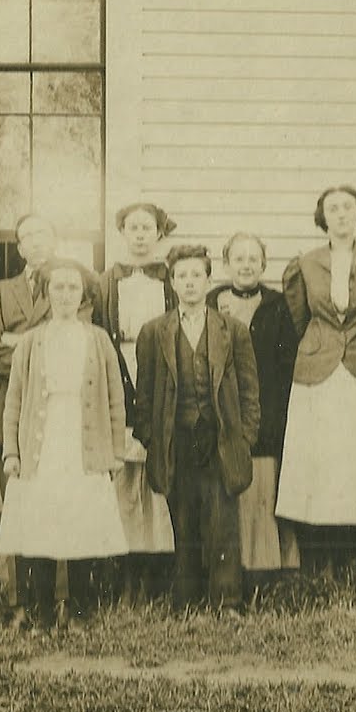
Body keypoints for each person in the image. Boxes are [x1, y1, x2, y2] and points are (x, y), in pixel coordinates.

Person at [0, 259, 129, 631]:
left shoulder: (98, 339)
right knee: (42, 529)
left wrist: (115, 451)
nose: (66, 295)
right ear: (47, 292)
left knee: (81, 528)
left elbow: (115, 398)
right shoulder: (32, 341)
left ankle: (79, 612)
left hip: (84, 445)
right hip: (44, 445)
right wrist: (12, 453)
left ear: (83, 294)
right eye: (58, 287)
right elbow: (14, 401)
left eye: (73, 288)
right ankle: (41, 613)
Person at [0, 213, 89, 626]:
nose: (36, 243)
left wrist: (17, 340)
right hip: (13, 409)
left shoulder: (72, 285)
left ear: (55, 240)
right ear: (19, 247)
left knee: (62, 505)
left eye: (44, 234)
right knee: (20, 507)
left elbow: (74, 340)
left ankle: (60, 601)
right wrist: (31, 353)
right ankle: (18, 603)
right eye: (27, 237)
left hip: (60, 417)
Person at [135, 245, 261, 612]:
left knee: (223, 522)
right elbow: (144, 396)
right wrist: (152, 437)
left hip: (220, 439)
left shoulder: (232, 331)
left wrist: (245, 437)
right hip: (176, 440)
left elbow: (251, 390)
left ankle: (228, 602)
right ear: (173, 283)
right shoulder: (154, 332)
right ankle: (186, 602)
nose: (190, 283)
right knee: (183, 520)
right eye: (182, 276)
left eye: (197, 276)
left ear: (208, 281)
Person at [275, 186, 356, 554]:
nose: (341, 214)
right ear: (322, 217)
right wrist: (321, 346)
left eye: (348, 207)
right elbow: (299, 318)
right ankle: (321, 547)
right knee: (321, 456)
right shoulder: (304, 264)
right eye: (333, 208)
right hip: (318, 372)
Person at [208, 232, 302, 594]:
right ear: (226, 264)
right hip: (222, 412)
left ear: (263, 265)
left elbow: (288, 362)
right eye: (238, 258)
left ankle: (268, 573)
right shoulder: (211, 301)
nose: (245, 265)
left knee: (264, 486)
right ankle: (231, 572)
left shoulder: (277, 305)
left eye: (253, 259)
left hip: (268, 410)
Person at [94, 201, 178, 601]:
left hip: (158, 378)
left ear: (159, 234)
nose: (141, 234)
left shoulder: (172, 279)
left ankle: (157, 575)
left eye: (148, 228)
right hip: (120, 374)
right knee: (125, 480)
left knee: (157, 482)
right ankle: (125, 575)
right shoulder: (108, 280)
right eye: (133, 227)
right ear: (122, 232)